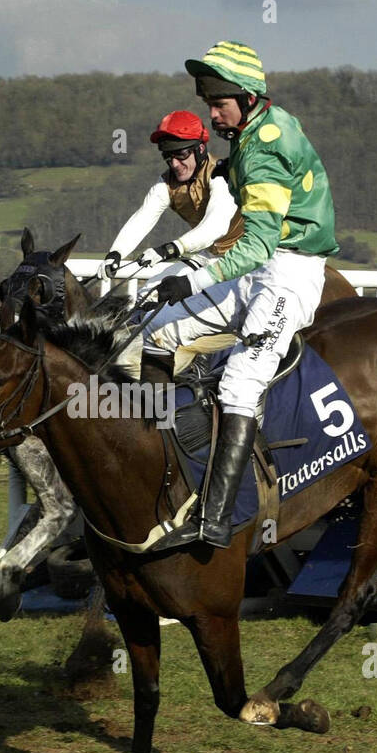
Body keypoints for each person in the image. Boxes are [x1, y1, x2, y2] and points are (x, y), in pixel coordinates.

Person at [148, 41, 341, 551]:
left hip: (289, 275)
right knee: (160, 330)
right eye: (208, 101)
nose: (211, 114)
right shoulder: (255, 130)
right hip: (262, 268)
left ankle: (217, 520)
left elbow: (255, 244)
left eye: (219, 103)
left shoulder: (266, 143)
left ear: (250, 97)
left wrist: (192, 279)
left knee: (238, 382)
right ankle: (168, 455)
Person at [98, 110, 244, 288]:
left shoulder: (221, 174)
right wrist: (116, 253)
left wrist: (171, 248)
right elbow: (143, 218)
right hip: (210, 256)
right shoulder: (166, 182)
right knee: (150, 294)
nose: (174, 164)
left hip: (248, 257)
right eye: (168, 156)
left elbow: (215, 227)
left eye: (181, 154)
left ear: (200, 148)